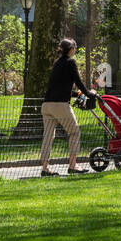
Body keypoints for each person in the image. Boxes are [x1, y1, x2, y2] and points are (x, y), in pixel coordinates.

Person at [39, 38, 96, 176]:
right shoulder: (70, 62)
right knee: (74, 132)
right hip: (60, 105)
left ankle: (45, 168)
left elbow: (60, 87)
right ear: (71, 49)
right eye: (74, 48)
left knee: (48, 136)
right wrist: (89, 93)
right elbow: (78, 80)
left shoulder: (57, 63)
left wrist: (77, 94)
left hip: (47, 105)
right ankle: (73, 165)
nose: (75, 51)